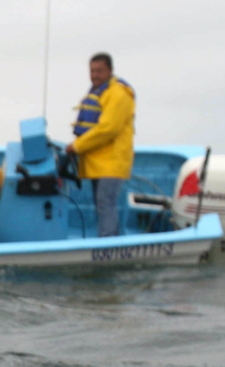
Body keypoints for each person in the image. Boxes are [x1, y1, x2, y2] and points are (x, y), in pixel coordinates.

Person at [67, 52, 136, 237]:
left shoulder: (118, 94)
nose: (95, 75)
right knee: (101, 203)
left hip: (112, 161)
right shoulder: (100, 92)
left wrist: (77, 146)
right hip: (99, 161)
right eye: (92, 71)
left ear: (110, 71)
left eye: (100, 71)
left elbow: (108, 129)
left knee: (106, 202)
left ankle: (108, 244)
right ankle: (107, 239)